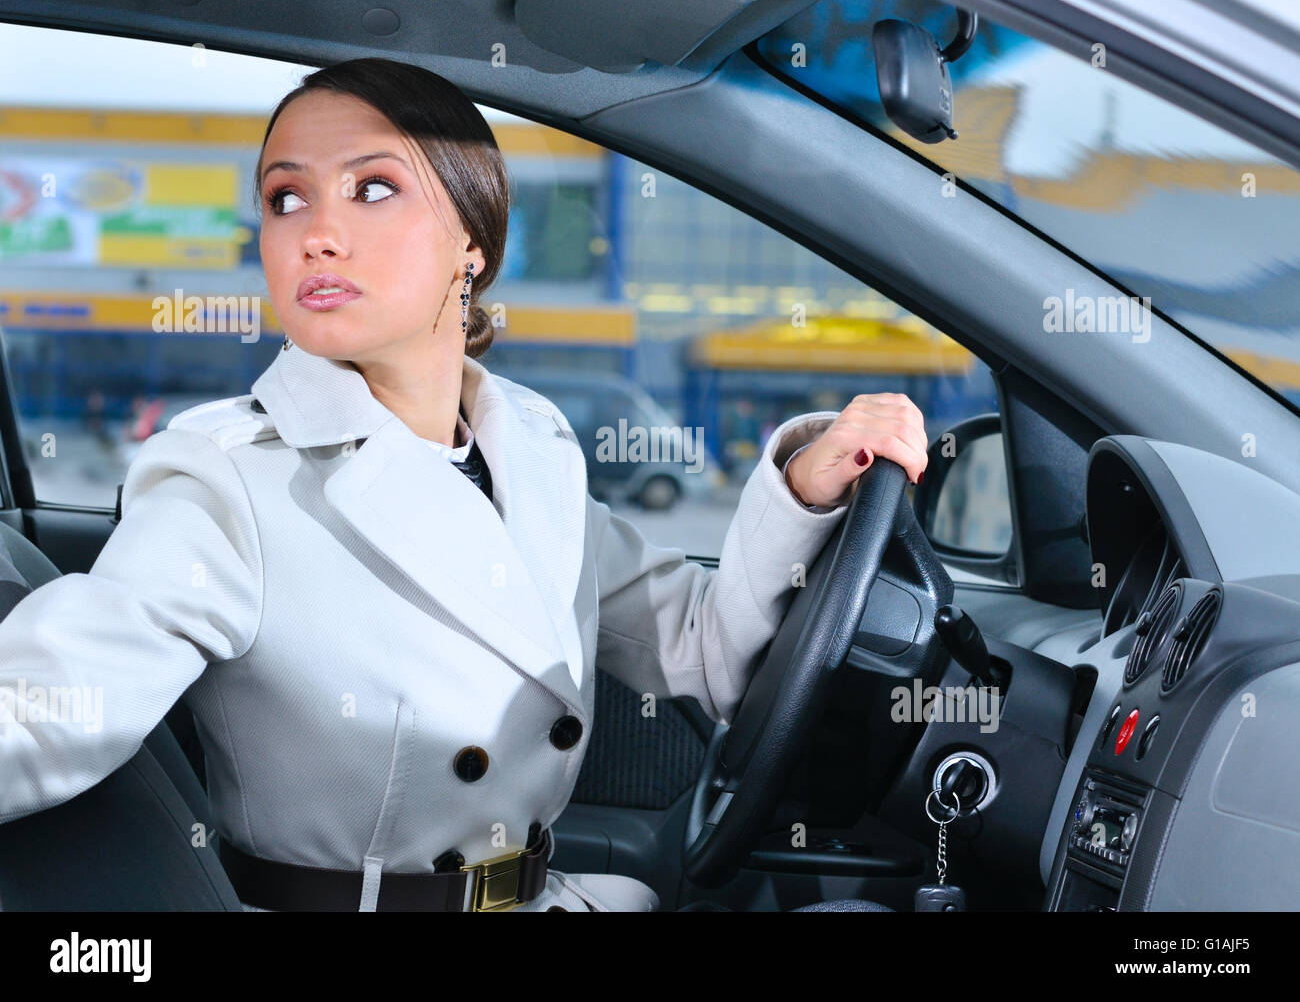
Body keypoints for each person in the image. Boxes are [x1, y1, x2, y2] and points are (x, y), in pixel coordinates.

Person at [0, 57, 928, 911]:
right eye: (285, 198)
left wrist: (807, 487)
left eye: (372, 188)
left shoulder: (533, 445)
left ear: (470, 242)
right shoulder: (227, 473)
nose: (317, 233)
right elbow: (54, 703)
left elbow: (701, 647)